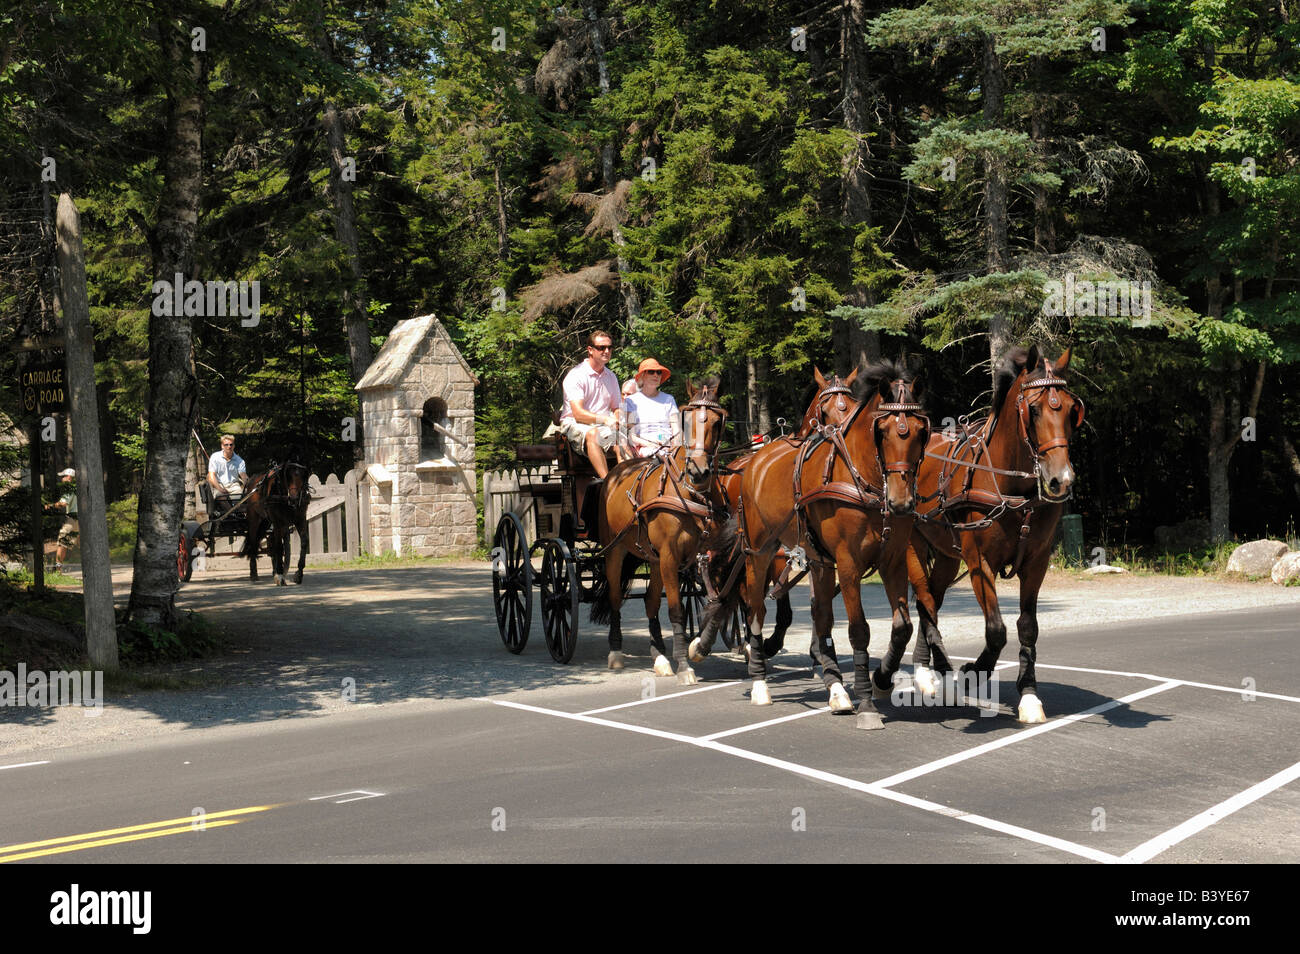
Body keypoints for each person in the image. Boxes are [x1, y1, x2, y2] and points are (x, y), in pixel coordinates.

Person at [558, 330, 622, 478]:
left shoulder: (611, 377)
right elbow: (578, 414)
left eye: (609, 347)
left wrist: (619, 419)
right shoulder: (576, 375)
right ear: (590, 350)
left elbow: (617, 407)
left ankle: (627, 483)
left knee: (623, 439)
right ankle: (607, 484)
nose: (606, 351)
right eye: (601, 348)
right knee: (593, 434)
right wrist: (606, 419)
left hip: (603, 426)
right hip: (574, 424)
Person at [624, 358, 680, 457]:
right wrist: (649, 444)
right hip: (645, 449)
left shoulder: (669, 399)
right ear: (642, 376)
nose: (656, 375)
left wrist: (675, 446)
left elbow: (677, 430)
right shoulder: (631, 401)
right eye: (651, 372)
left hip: (669, 447)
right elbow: (631, 436)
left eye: (659, 372)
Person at [207, 434, 248, 519]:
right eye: (226, 444)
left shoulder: (239, 461)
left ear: (234, 446)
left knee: (243, 497)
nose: (229, 447)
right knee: (221, 497)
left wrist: (248, 485)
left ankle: (239, 515)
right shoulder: (215, 457)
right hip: (218, 484)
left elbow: (243, 476)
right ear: (222, 446)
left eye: (231, 444)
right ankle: (233, 516)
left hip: (234, 486)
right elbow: (211, 476)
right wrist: (220, 489)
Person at [51, 469, 77, 573]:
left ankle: (58, 570)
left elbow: (63, 503)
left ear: (69, 477)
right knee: (65, 545)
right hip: (79, 519)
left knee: (62, 543)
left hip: (72, 519)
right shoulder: (77, 488)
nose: (62, 479)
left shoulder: (69, 489)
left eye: (64, 476)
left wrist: (50, 506)